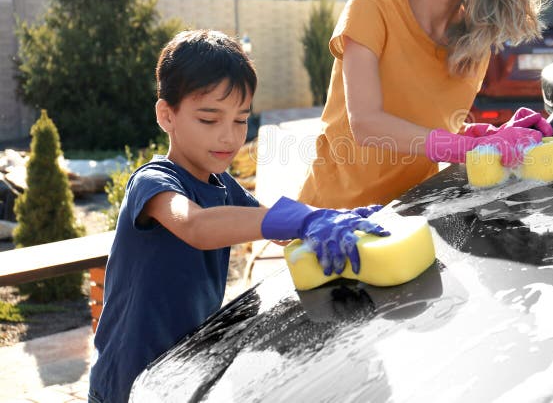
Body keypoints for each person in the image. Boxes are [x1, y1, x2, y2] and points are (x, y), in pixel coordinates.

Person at [88, 30, 388, 403]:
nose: (229, 138)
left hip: (180, 375)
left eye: (240, 120)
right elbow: (195, 225)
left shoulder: (222, 185)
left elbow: (272, 223)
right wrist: (300, 221)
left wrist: (332, 219)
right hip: (128, 383)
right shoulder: (154, 182)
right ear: (167, 115)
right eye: (210, 119)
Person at [297, 0, 553, 209]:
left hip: (409, 215)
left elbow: (427, 131)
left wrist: (486, 137)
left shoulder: (473, 43)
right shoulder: (371, 10)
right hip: (333, 217)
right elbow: (366, 125)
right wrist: (470, 148)